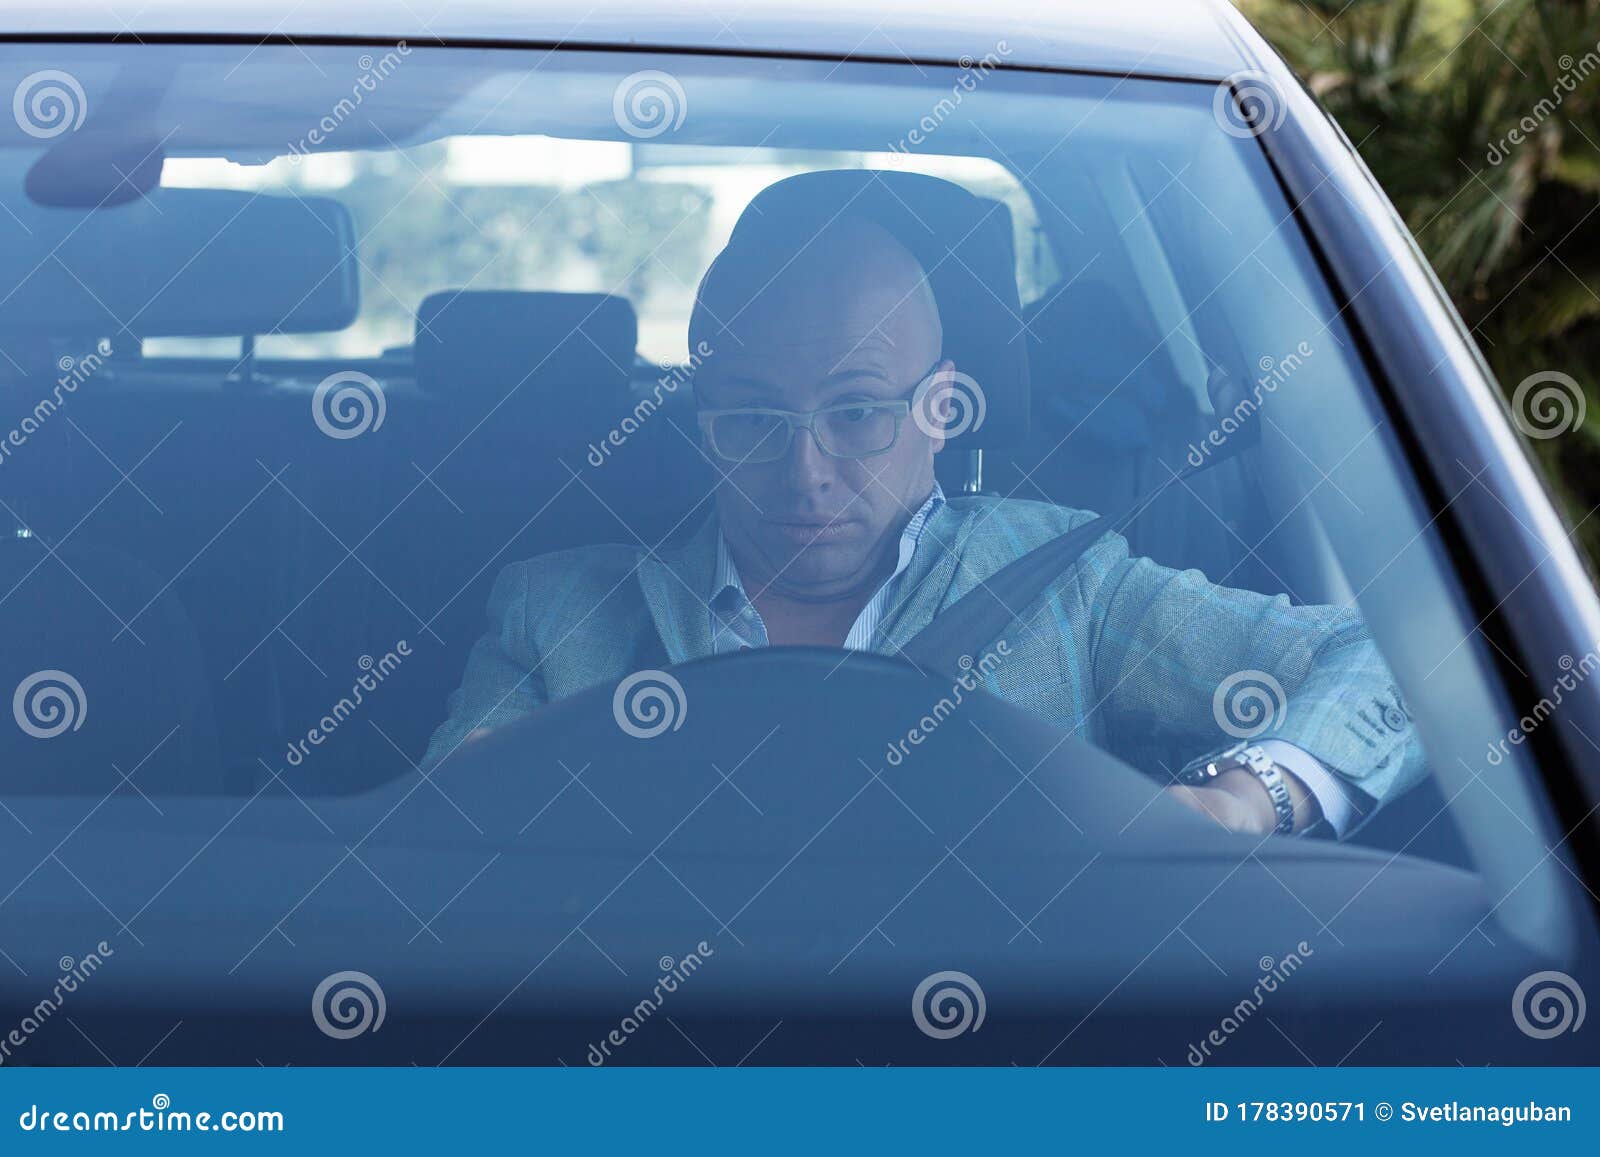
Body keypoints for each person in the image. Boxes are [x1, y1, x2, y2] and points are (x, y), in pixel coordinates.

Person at [422, 206, 1422, 839]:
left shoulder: (1066, 585)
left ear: (940, 409)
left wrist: (1247, 795)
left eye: (856, 411)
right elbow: (438, 844)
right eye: (752, 421)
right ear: (702, 423)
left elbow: (1409, 660)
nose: (803, 473)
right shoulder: (554, 613)